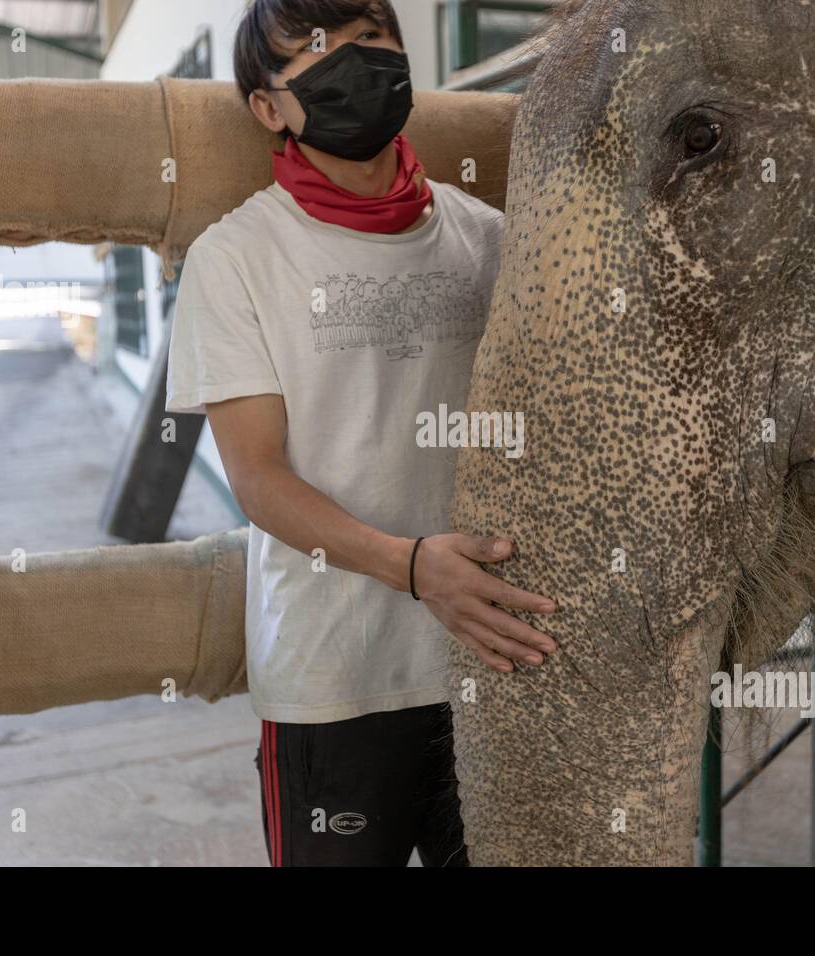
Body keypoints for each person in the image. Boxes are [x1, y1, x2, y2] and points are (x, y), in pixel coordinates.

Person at [164, 0, 557, 866]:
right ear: (268, 108)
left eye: (369, 39)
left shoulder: (488, 241)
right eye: (315, 51)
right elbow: (260, 480)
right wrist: (416, 569)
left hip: (492, 661)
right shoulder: (236, 260)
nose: (350, 59)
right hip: (332, 683)